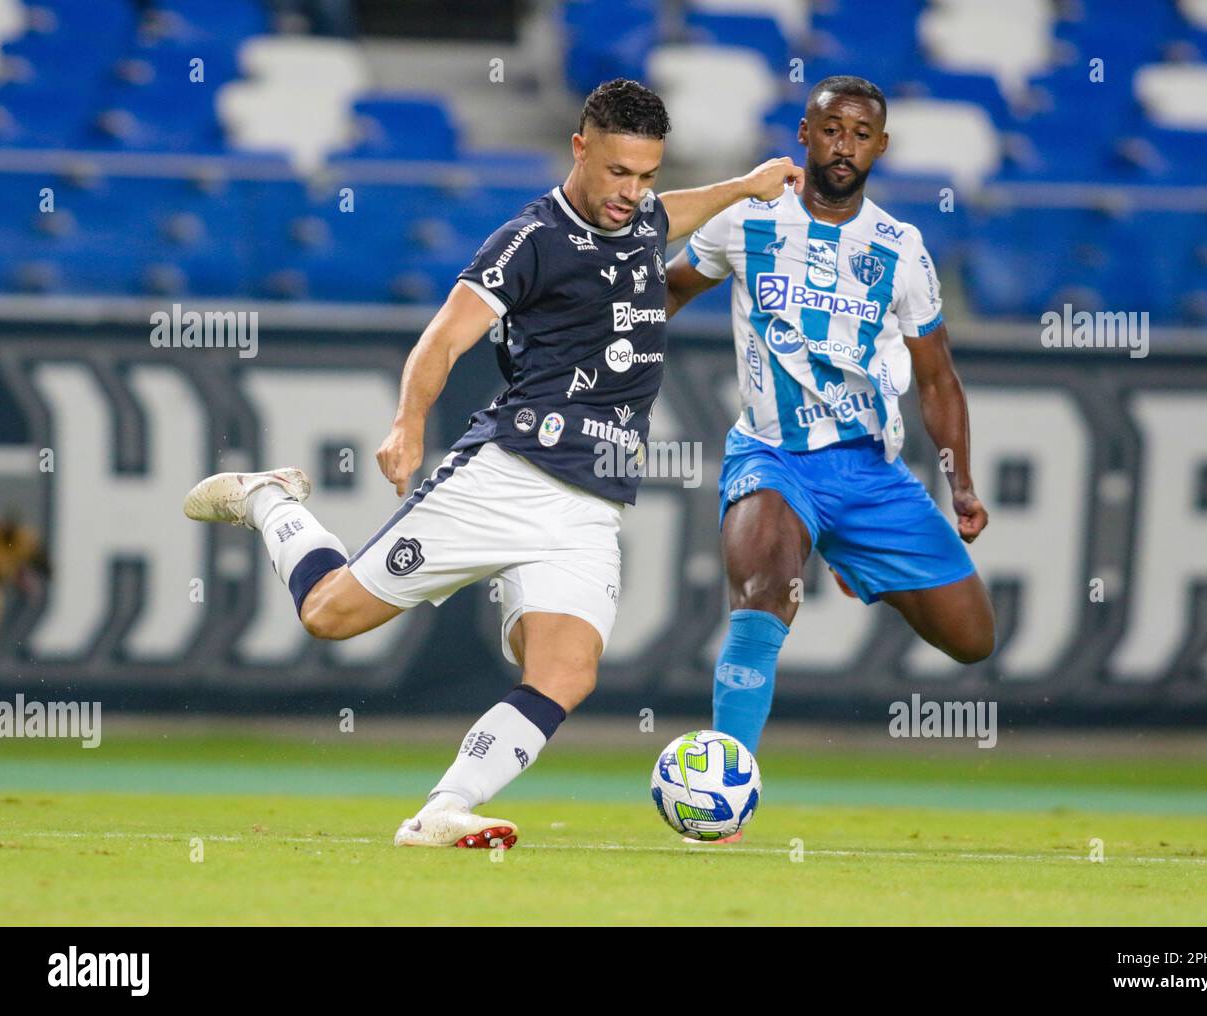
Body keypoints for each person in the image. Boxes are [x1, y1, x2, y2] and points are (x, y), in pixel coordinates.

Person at [183, 78, 803, 849]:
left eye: (646, 175)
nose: (632, 193)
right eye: (618, 173)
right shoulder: (528, 240)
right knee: (329, 616)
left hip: (590, 507)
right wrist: (409, 423)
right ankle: (270, 498)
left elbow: (671, 215)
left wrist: (743, 187)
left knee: (566, 672)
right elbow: (444, 337)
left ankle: (441, 810)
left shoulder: (641, 217)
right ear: (580, 147)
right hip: (508, 474)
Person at [664, 76, 996, 840]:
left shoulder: (901, 249)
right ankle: (725, 794)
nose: (844, 145)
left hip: (871, 474)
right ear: (804, 135)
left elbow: (939, 378)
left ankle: (853, 554)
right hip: (773, 455)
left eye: (860, 133)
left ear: (880, 147)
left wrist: (962, 485)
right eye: (830, 128)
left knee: (973, 640)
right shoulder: (745, 221)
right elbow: (667, 295)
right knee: (764, 594)